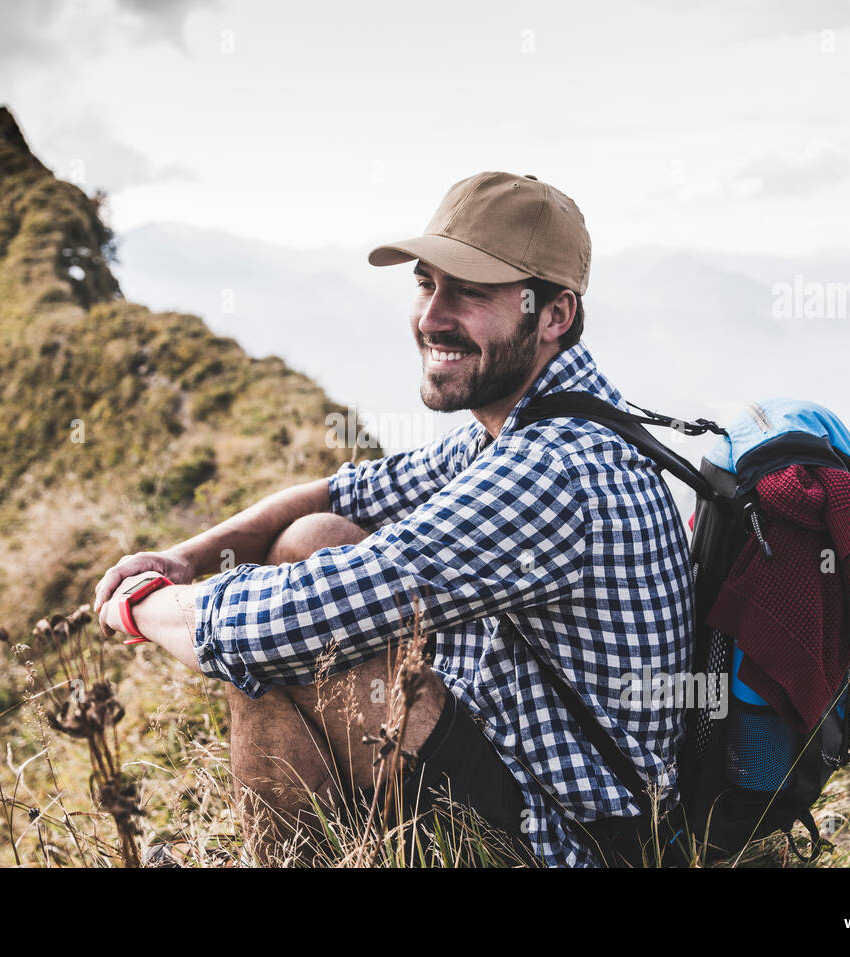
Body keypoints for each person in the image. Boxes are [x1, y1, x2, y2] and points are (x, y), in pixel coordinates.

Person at [93, 171, 695, 867]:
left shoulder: (554, 473)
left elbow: (269, 630)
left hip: (571, 844)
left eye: (470, 291)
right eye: (427, 283)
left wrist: (141, 607)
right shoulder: (530, 423)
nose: (433, 316)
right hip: (532, 772)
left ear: (553, 314)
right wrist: (191, 557)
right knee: (309, 540)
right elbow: (348, 494)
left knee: (285, 643)